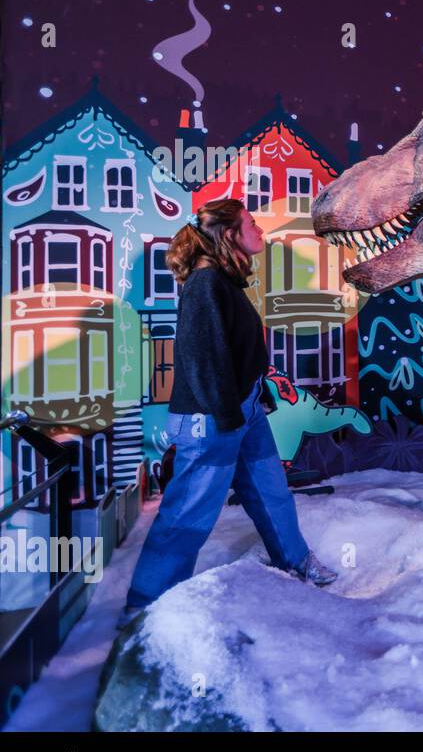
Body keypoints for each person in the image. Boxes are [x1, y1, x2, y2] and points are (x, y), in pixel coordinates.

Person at [118, 199, 337, 629]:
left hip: (243, 409)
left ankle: (296, 561)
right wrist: (227, 417)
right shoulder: (205, 284)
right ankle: (145, 607)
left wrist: (258, 398)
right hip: (213, 418)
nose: (261, 231)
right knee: (188, 512)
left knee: (270, 492)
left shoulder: (223, 281)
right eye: (252, 223)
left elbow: (234, 354)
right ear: (230, 234)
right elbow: (201, 361)